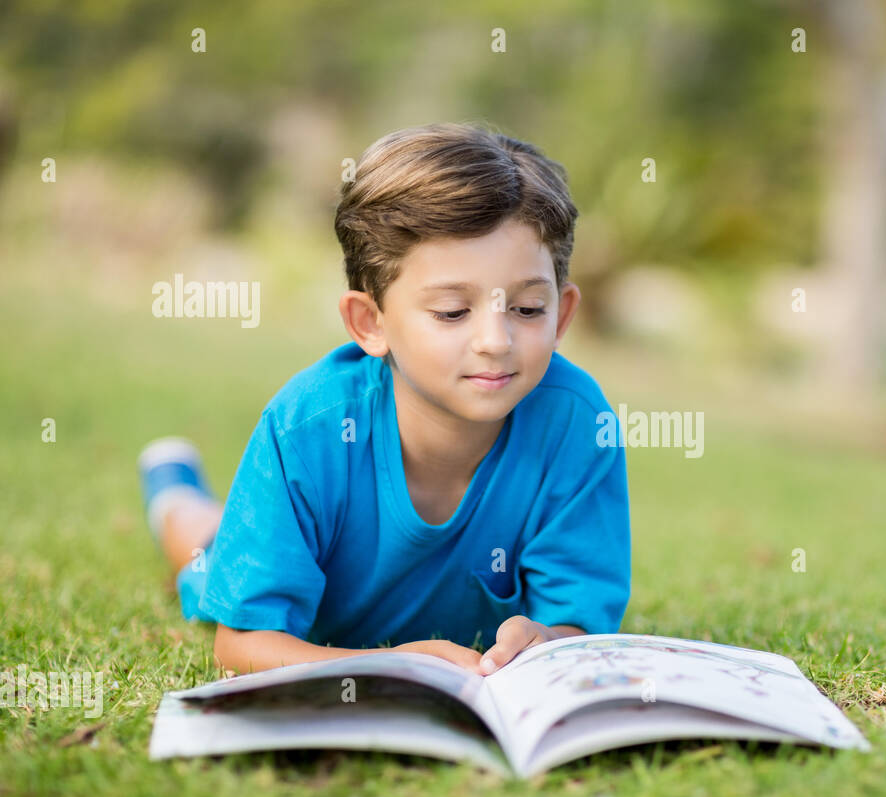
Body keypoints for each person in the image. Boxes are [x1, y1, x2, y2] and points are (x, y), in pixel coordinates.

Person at [136, 122, 631, 678]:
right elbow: (244, 644)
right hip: (295, 592)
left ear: (562, 313)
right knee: (204, 545)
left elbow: (579, 629)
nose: (496, 341)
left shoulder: (577, 424)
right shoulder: (307, 428)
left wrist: (545, 637)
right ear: (370, 323)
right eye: (451, 312)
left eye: (527, 309)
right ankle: (170, 485)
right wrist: (391, 664)